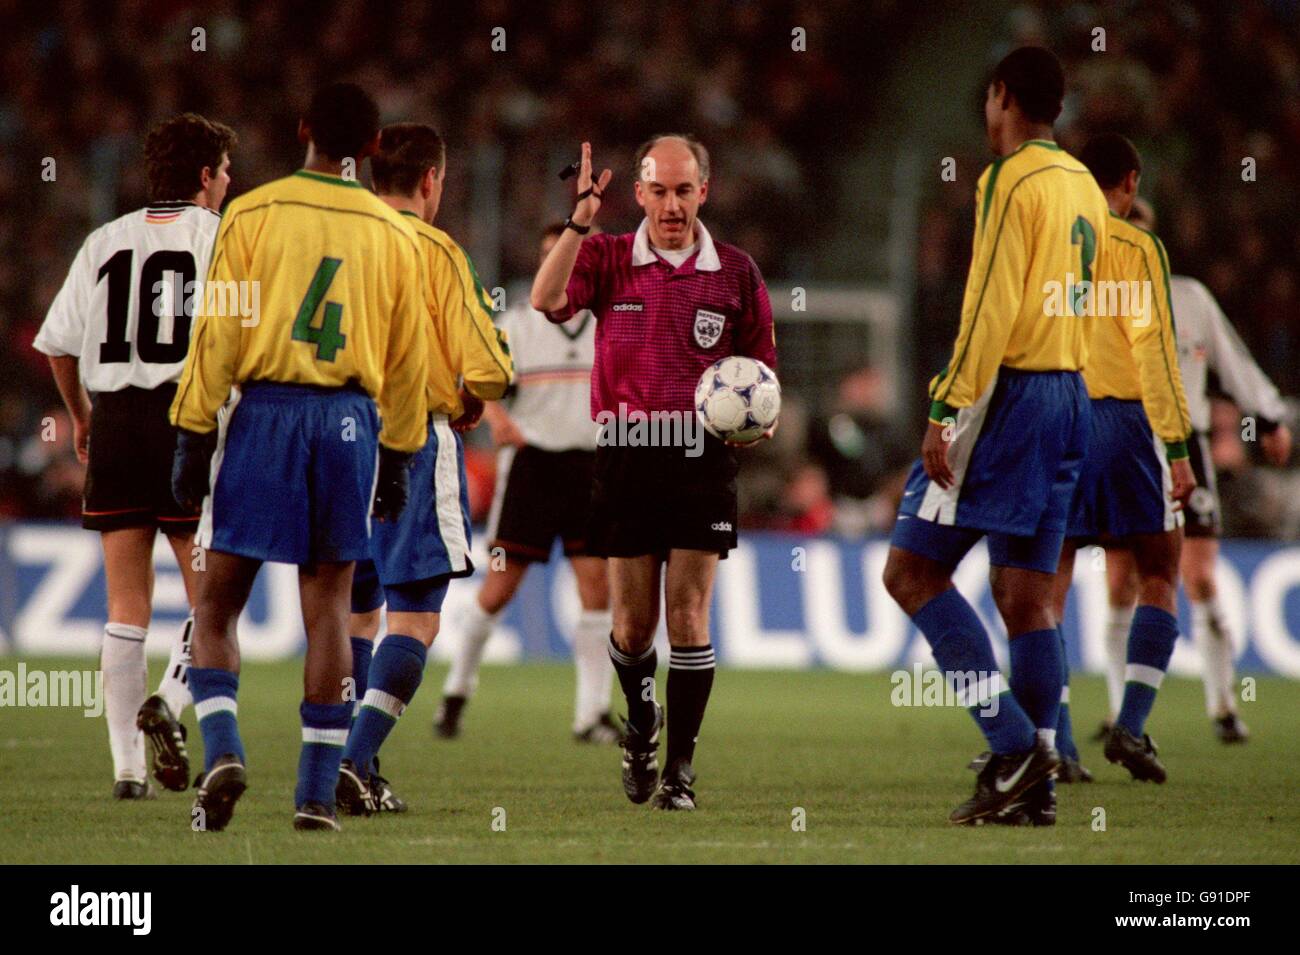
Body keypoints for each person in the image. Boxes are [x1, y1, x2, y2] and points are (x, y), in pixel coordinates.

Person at [169, 83, 428, 832]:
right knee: (330, 614)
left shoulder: (250, 213)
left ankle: (221, 746)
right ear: (375, 147)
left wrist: (191, 432)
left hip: (266, 416)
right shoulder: (394, 233)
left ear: (305, 129)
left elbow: (216, 335)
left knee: (217, 603)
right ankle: (315, 796)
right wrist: (401, 455)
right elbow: (409, 361)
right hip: (349, 422)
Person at [881, 47, 1110, 826]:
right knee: (1026, 597)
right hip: (1070, 394)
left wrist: (947, 404)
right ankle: (1036, 778)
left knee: (910, 572)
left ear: (1001, 96)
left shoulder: (1008, 180)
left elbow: (990, 304)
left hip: (1010, 397)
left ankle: (1016, 747)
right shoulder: (1083, 183)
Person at [530, 134, 777, 811]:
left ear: (706, 189)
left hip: (702, 459)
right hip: (627, 453)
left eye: (684, 189)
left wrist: (764, 416)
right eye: (659, 191)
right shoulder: (607, 255)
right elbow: (543, 299)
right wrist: (580, 219)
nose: (672, 205)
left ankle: (681, 769)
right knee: (634, 627)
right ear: (638, 193)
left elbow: (761, 369)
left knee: (689, 615)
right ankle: (641, 727)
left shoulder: (735, 271)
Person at [32, 113, 235, 799]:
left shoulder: (104, 241)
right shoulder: (222, 239)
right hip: (188, 421)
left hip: (116, 422)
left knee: (126, 604)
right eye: (227, 173)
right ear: (207, 176)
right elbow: (246, 338)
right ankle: (170, 703)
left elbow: (57, 341)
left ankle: (125, 771)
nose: (229, 185)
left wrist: (82, 415)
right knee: (212, 597)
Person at [333, 122, 514, 815]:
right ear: (432, 180)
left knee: (353, 612)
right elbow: (489, 368)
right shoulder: (436, 249)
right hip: (411, 437)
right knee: (415, 619)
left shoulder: (339, 240)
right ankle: (352, 759)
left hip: (331, 435)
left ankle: (349, 766)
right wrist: (471, 390)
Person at [1099, 199, 1293, 744]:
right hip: (1124, 447)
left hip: (1189, 445)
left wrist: (1269, 414)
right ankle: (1122, 713)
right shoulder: (1093, 299)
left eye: (1141, 238)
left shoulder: (1190, 298)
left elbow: (1234, 361)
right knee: (1121, 581)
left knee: (1199, 573)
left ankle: (1224, 705)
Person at [435, 223, 619, 746]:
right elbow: (475, 379)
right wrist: (495, 418)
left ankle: (592, 713)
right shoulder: (515, 324)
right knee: (498, 588)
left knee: (596, 588)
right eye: (550, 256)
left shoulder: (612, 322)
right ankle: (456, 692)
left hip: (593, 469)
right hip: (532, 470)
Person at [1051, 133, 1196, 788]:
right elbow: (1157, 355)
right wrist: (1178, 447)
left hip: (1057, 416)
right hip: (1127, 425)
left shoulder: (1048, 244)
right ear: (1131, 183)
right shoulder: (1140, 248)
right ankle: (1131, 725)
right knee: (1161, 567)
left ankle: (1054, 744)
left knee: (1044, 585)